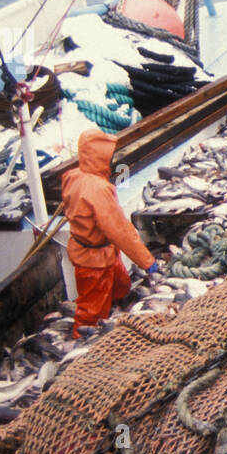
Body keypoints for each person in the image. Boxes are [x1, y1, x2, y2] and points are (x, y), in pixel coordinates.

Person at [61, 128, 157, 337]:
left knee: (122, 286)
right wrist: (147, 261)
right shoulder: (99, 189)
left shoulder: (72, 176)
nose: (113, 160)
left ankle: (114, 313)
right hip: (92, 262)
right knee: (91, 313)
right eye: (110, 156)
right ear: (100, 157)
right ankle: (81, 345)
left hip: (102, 251)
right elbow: (119, 230)